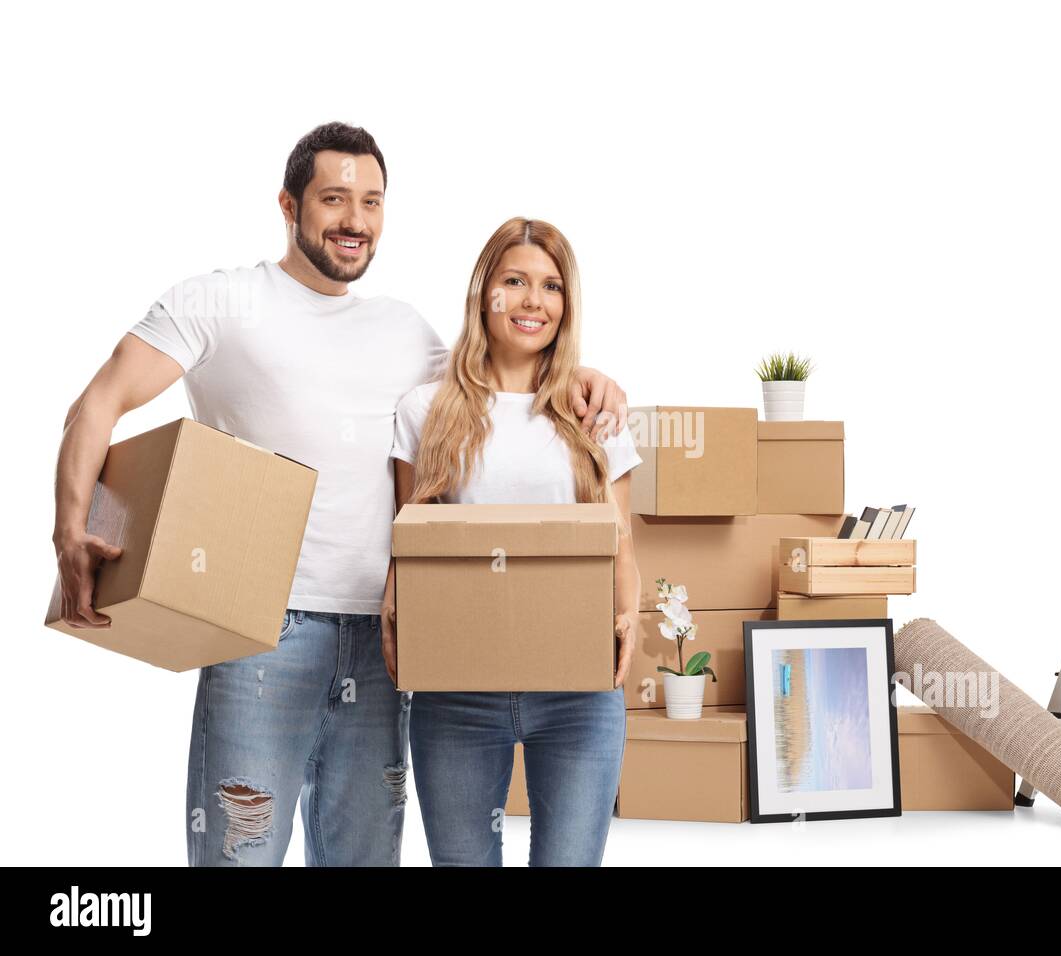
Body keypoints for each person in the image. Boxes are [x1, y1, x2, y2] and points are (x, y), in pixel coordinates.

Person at [51, 123, 628, 866]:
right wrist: (71, 530)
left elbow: (505, 371)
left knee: (362, 859)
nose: (355, 219)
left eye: (372, 202)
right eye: (333, 198)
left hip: (385, 645)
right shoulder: (222, 303)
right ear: (289, 204)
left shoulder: (405, 332)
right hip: (262, 632)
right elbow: (96, 405)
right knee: (241, 853)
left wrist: (588, 377)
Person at [386, 217, 640, 866]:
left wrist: (630, 615)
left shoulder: (593, 414)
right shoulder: (426, 410)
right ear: (484, 294)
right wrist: (393, 609)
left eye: (552, 286)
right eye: (516, 281)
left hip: (580, 691)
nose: (534, 301)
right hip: (457, 693)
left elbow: (622, 550)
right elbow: (408, 547)